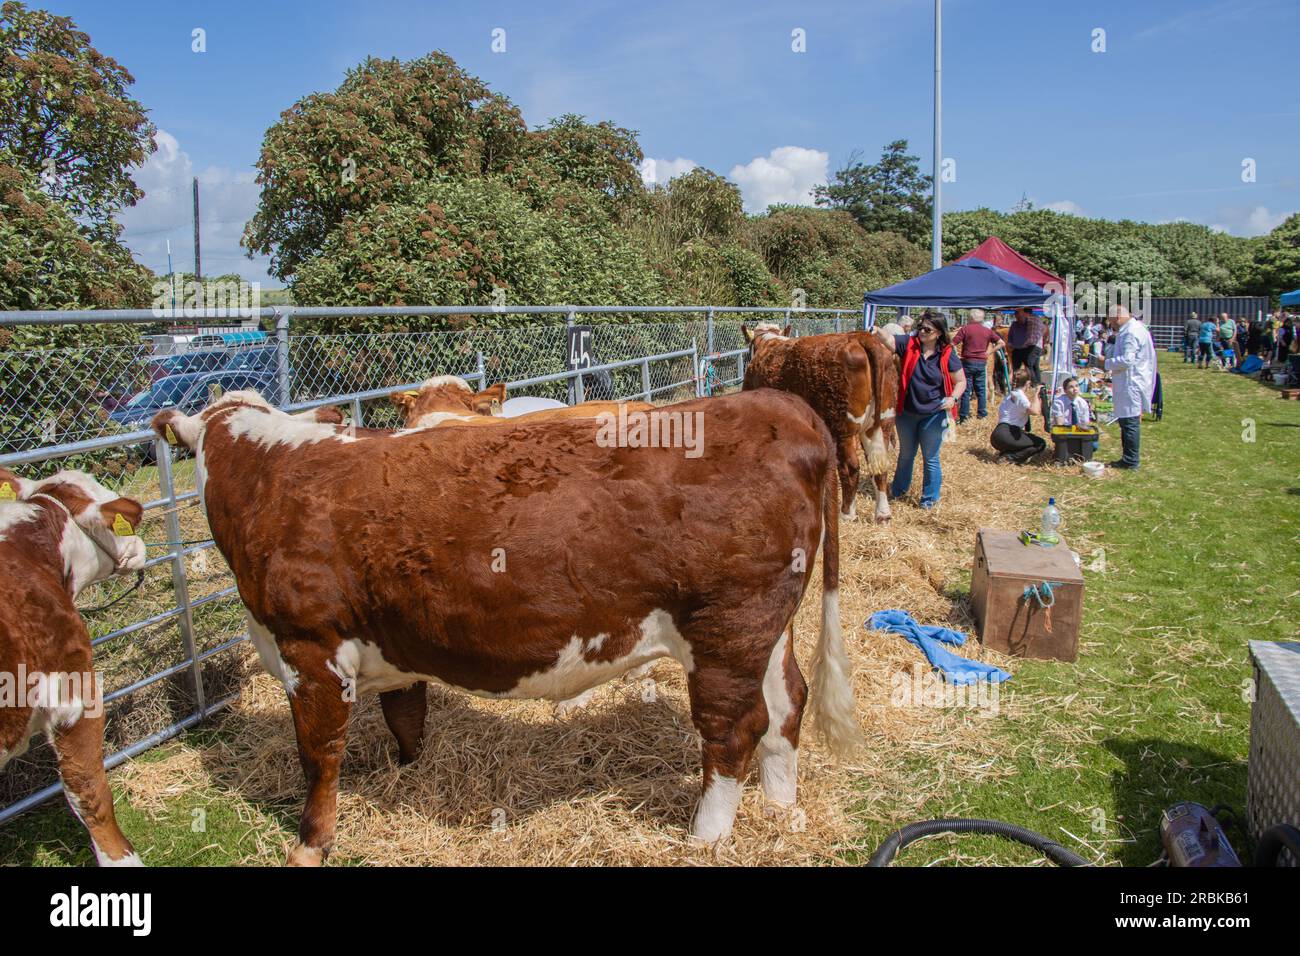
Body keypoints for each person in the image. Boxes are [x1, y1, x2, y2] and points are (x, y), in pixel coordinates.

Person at [889, 312, 966, 510]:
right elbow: (887, 339)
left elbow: (961, 381)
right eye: (920, 327)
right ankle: (898, 491)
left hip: (934, 414)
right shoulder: (909, 344)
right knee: (906, 454)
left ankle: (929, 499)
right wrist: (874, 330)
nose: (922, 332)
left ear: (939, 332)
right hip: (906, 414)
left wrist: (953, 398)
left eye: (927, 329)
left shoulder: (947, 354)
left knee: (931, 458)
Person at [1104, 304, 1155, 470]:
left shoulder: (1131, 332)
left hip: (1131, 381)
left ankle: (1131, 460)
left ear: (1117, 317)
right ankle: (1128, 457)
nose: (1110, 325)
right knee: (1126, 420)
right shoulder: (1134, 328)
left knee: (1130, 421)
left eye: (1111, 321)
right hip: (1131, 379)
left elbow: (1127, 360)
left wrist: (1105, 362)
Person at [952, 308, 1003, 423]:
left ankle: (964, 416)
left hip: (967, 362)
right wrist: (989, 352)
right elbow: (1001, 343)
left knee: (966, 389)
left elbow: (952, 343)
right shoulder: (987, 331)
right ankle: (982, 414)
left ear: (970, 317)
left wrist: (956, 355)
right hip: (981, 362)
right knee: (981, 389)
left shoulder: (965, 329)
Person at [991, 368, 1046, 464]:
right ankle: (1009, 457)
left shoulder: (1010, 395)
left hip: (997, 435)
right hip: (1008, 434)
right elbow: (1035, 411)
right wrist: (1036, 394)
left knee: (1028, 437)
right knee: (1040, 443)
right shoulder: (1020, 396)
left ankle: (1007, 453)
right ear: (1028, 383)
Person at [1007, 307, 1047, 385]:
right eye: (1016, 315)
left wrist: (1021, 345)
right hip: (1019, 348)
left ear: (1024, 313)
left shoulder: (1033, 320)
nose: (1016, 317)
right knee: (1018, 368)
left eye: (1018, 315)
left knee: (1030, 366)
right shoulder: (1014, 324)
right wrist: (1011, 344)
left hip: (1030, 347)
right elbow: (1010, 336)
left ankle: (1035, 385)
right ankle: (1017, 384)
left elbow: (1032, 339)